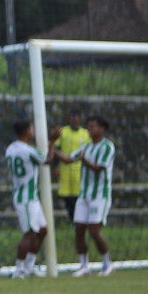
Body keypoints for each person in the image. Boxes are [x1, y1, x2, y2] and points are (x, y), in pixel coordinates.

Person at [4, 119, 54, 279]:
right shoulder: (29, 151)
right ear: (27, 131)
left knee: (42, 230)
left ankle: (29, 266)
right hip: (26, 198)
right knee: (30, 233)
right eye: (32, 128)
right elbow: (47, 160)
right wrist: (52, 142)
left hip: (29, 197)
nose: (34, 131)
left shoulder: (10, 149)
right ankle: (19, 270)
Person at [68, 115, 115, 277]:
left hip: (100, 195)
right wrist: (51, 145)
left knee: (94, 231)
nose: (89, 129)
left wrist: (84, 161)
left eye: (93, 126)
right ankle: (84, 266)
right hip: (84, 195)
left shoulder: (107, 147)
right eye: (88, 126)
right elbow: (68, 159)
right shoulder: (86, 147)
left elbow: (99, 169)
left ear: (102, 129)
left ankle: (107, 263)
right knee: (79, 230)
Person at [55, 109, 89, 224]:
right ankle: (72, 220)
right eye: (71, 117)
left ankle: (78, 220)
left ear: (80, 119)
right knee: (67, 197)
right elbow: (56, 148)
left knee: (78, 197)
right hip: (65, 170)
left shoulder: (85, 134)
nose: (73, 120)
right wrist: (56, 166)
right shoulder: (63, 132)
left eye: (76, 117)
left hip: (79, 171)